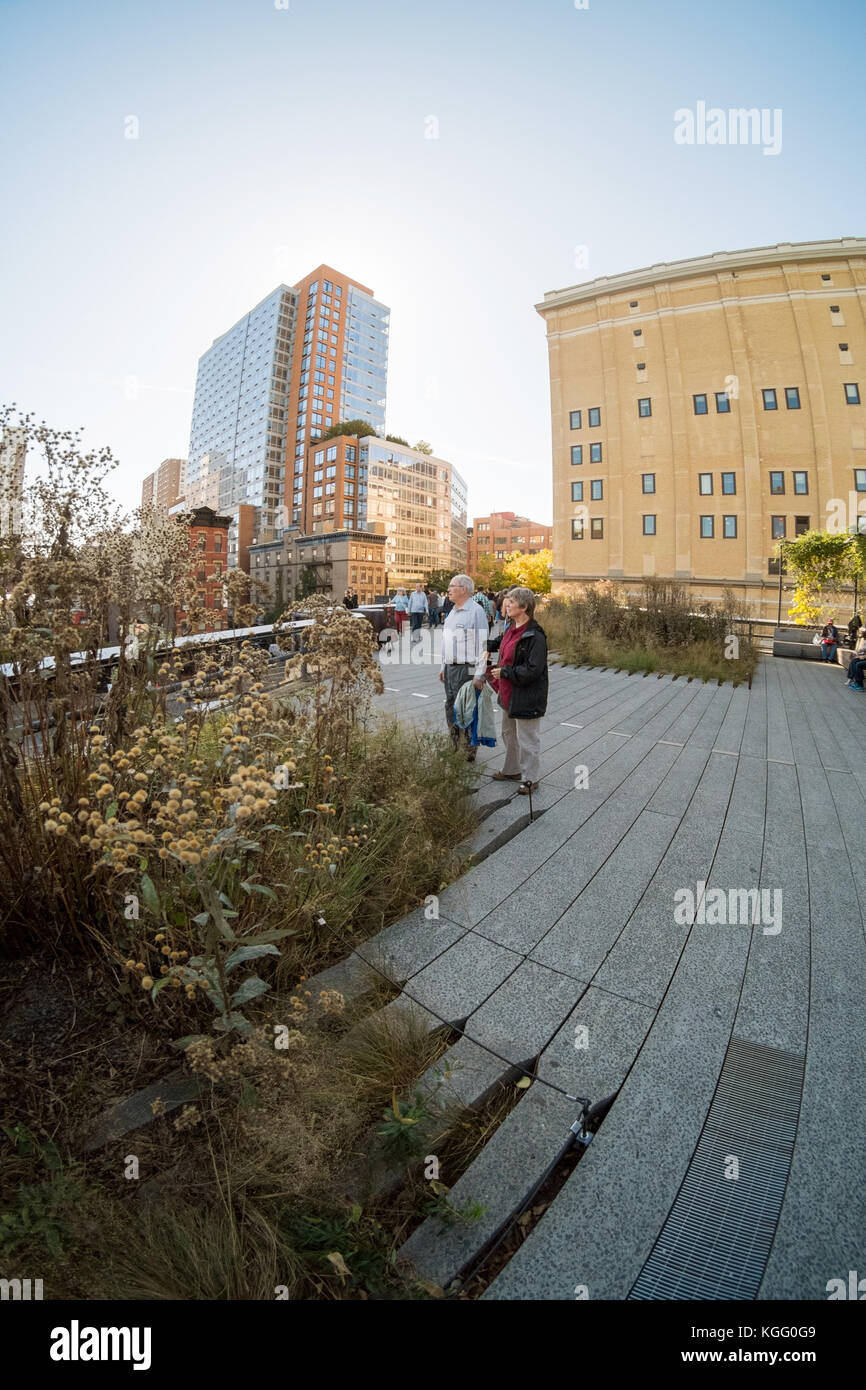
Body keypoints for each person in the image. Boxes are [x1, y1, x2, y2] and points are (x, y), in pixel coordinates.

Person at [486, 586, 548, 795]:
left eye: (511, 601)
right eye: (508, 600)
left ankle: (530, 779)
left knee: (528, 739)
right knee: (508, 734)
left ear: (524, 607)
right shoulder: (511, 626)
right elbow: (501, 644)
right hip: (508, 693)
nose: (507, 604)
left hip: (526, 696)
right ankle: (512, 770)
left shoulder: (535, 635)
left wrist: (505, 673)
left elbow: (533, 669)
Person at [439, 574, 489, 761]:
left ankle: (469, 749)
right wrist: (443, 665)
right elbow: (447, 642)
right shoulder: (452, 611)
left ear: (464, 589)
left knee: (466, 708)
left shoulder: (475, 612)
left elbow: (483, 646)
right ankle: (453, 745)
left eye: (452, 586)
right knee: (450, 706)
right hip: (451, 668)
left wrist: (480, 674)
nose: (449, 589)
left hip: (467, 668)